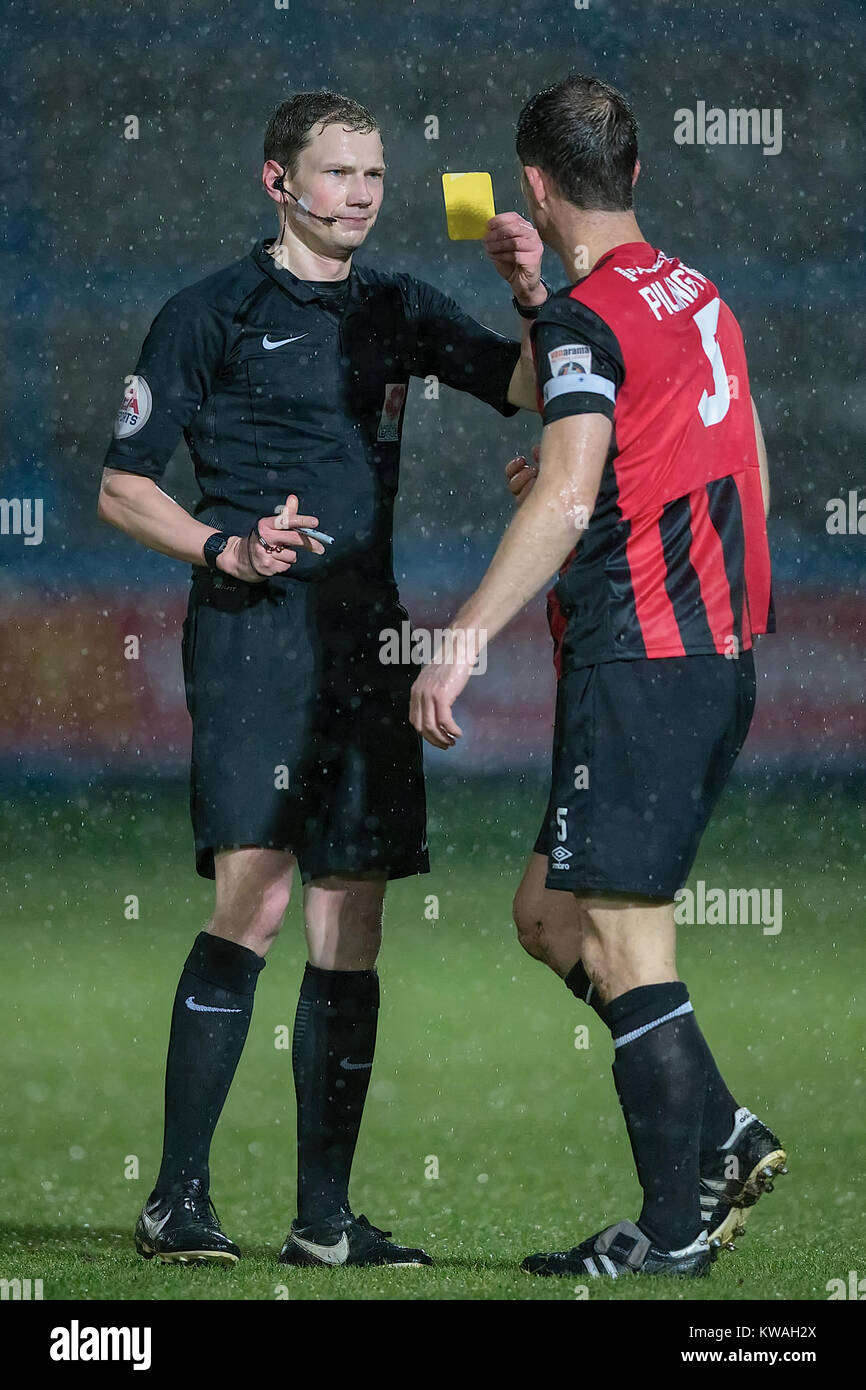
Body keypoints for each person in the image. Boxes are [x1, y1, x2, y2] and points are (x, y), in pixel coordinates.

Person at [97, 89, 544, 1269]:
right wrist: (224, 545)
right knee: (255, 899)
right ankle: (176, 1201)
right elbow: (120, 482)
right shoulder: (212, 313)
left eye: (374, 176)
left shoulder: (396, 307)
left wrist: (532, 291)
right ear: (276, 182)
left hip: (366, 643)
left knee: (353, 918)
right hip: (252, 632)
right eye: (337, 173)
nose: (359, 193)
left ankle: (323, 1222)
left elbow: (534, 387)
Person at [410, 73, 786, 1280]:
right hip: (706, 657)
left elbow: (568, 494)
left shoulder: (589, 322)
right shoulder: (692, 296)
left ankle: (672, 1227)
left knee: (626, 950)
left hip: (645, 661)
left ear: (532, 183)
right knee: (545, 917)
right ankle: (718, 1127)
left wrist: (465, 631)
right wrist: (530, 298)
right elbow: (740, 473)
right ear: (632, 174)